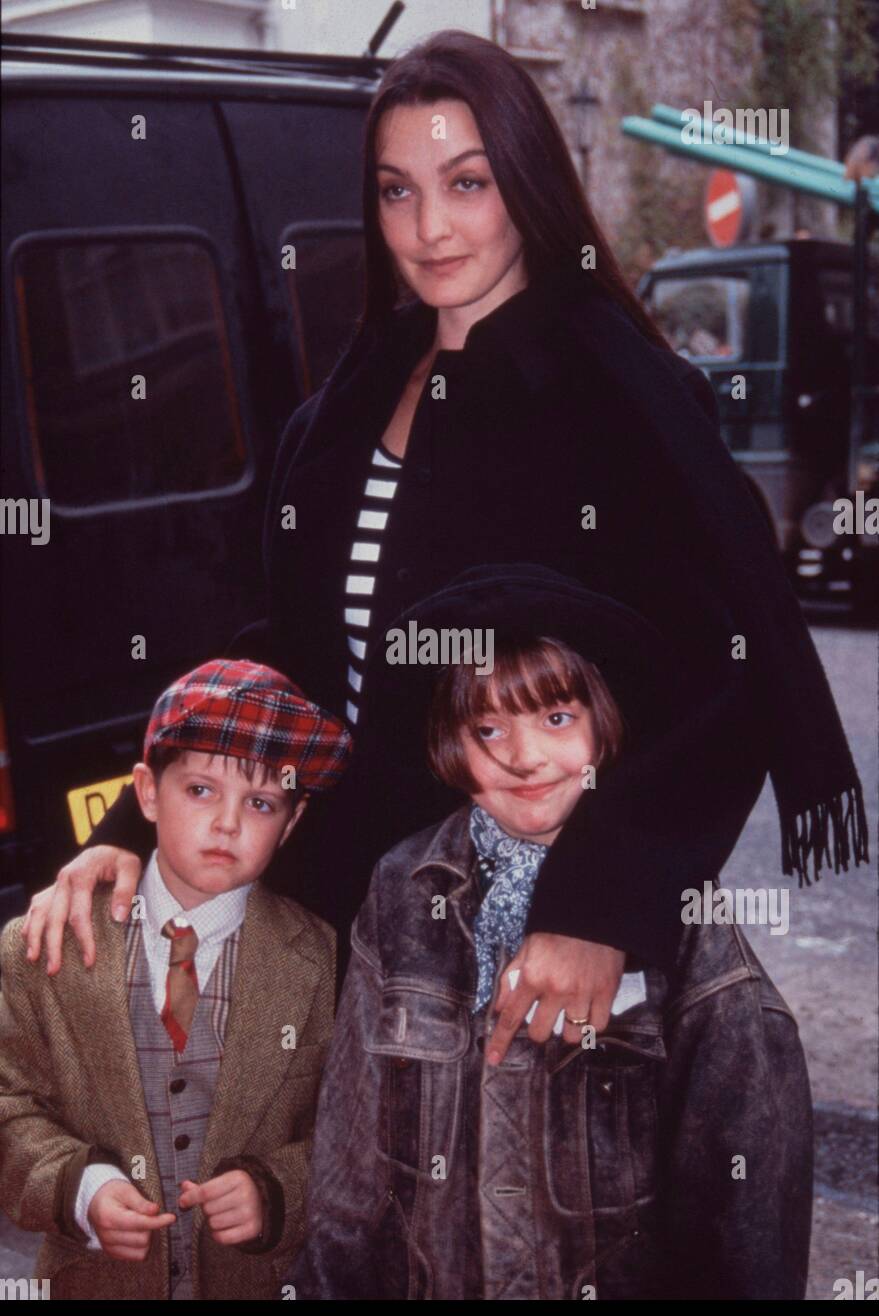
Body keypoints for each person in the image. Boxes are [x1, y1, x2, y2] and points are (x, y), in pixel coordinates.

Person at [20, 29, 868, 1063]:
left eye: (465, 183)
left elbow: (722, 676)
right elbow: (287, 655)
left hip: (512, 948)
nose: (428, 228)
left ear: (526, 181)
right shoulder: (343, 404)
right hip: (337, 924)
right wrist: (133, 832)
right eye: (395, 191)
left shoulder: (622, 400)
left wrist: (602, 904)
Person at [288, 565, 813, 1300]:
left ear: (604, 724)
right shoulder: (401, 889)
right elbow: (350, 1161)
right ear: (448, 743)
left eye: (555, 718)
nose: (523, 756)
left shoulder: (677, 916)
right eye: (487, 728)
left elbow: (745, 1201)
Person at [0, 659, 350, 1299]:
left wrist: (278, 1190)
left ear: (292, 823)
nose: (228, 823)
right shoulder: (45, 940)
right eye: (200, 791)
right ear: (147, 792)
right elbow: (8, 1104)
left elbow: (348, 1125)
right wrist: (78, 1187)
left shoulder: (320, 957)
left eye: (262, 803)